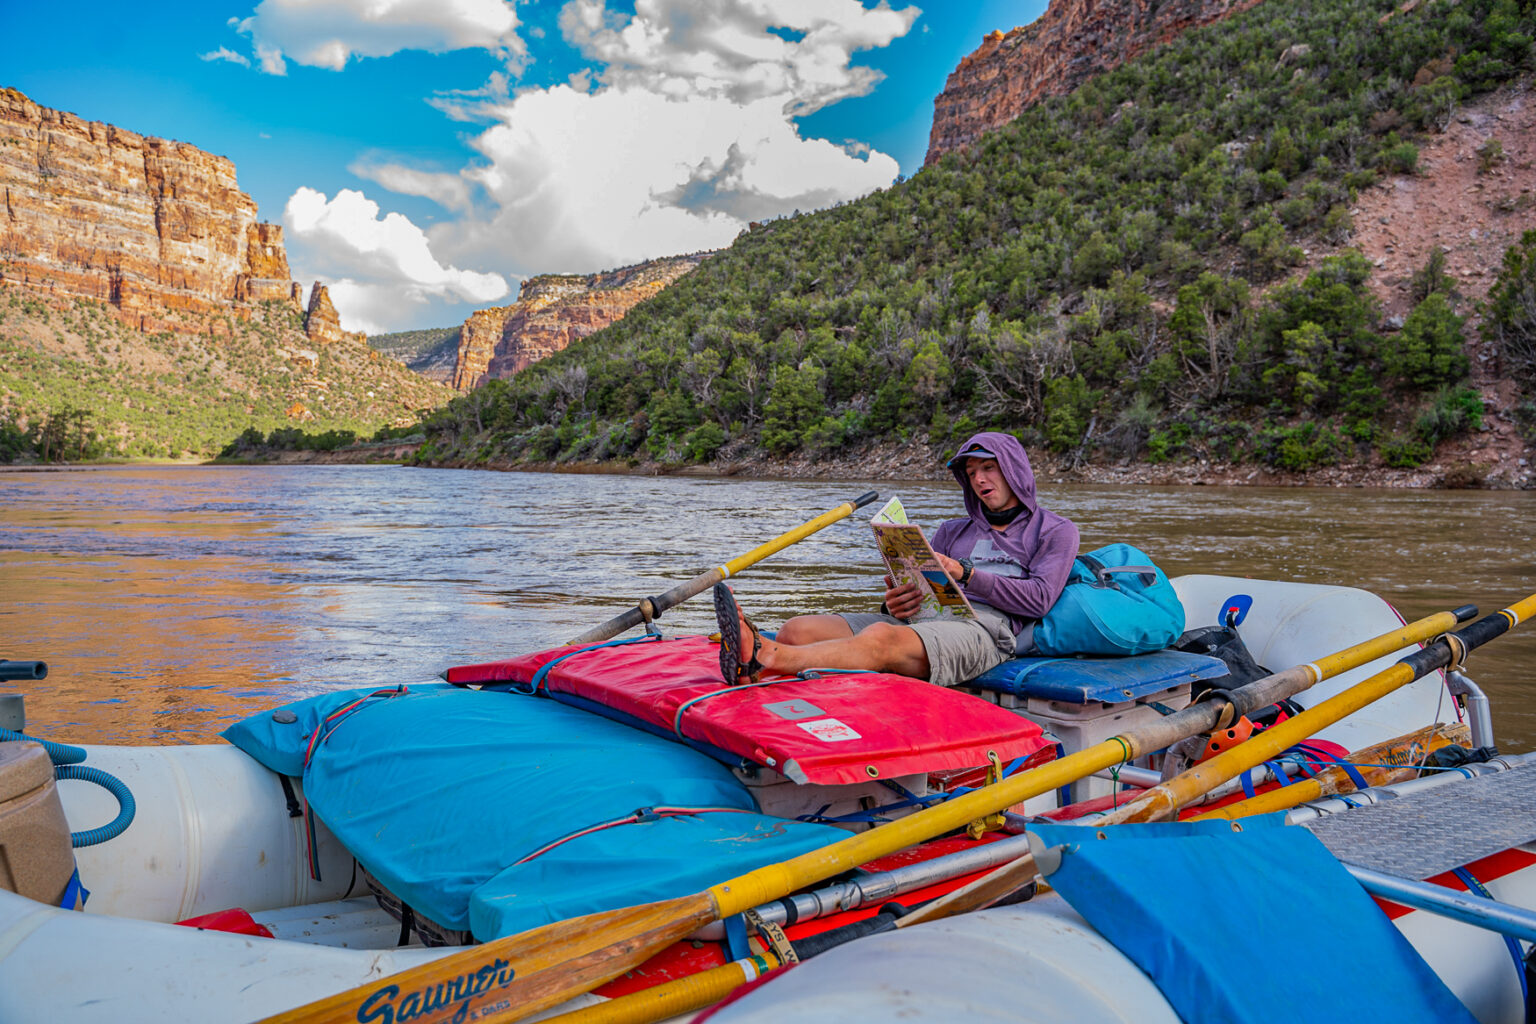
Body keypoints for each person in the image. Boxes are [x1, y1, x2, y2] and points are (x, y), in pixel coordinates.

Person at [715, 431, 1080, 687]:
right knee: (798, 629)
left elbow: (1038, 600)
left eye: (988, 468)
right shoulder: (952, 531)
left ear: (1013, 469)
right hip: (926, 619)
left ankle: (766, 659)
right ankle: (764, 661)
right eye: (971, 474)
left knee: (880, 638)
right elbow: (919, 597)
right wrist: (896, 603)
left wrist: (965, 573)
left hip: (987, 629)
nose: (979, 480)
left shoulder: (1055, 530)